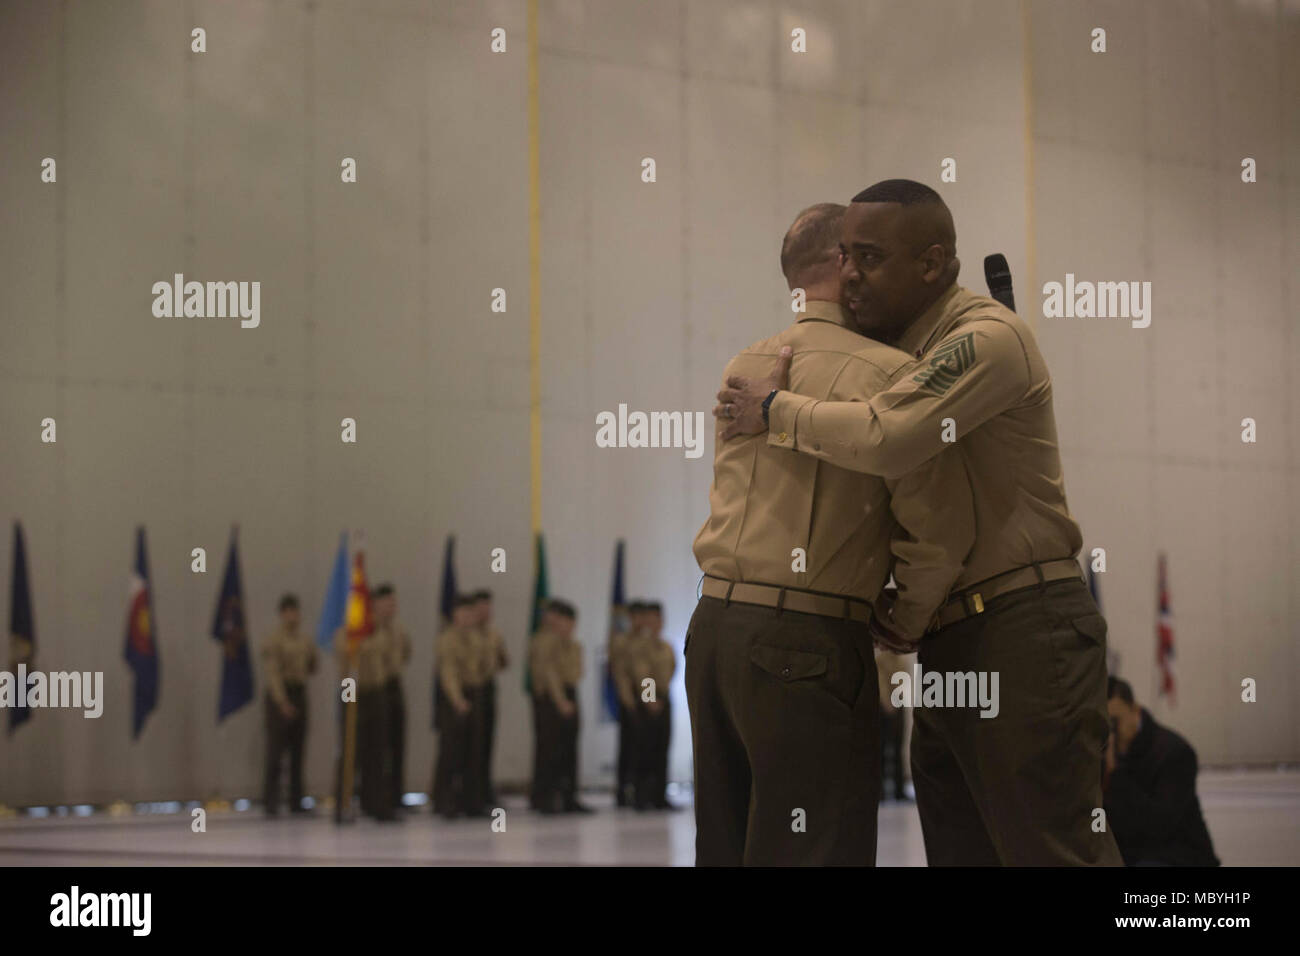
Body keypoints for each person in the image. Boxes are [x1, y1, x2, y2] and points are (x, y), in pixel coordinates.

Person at [714, 179, 1122, 866]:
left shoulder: (986, 337)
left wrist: (777, 410)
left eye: (868, 258)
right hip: (952, 636)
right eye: (843, 256)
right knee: (963, 848)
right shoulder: (910, 351)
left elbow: (888, 434)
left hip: (1023, 627)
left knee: (1053, 850)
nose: (848, 275)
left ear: (931, 264)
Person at [690, 201, 975, 865]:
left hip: (713, 634)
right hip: (808, 644)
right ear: (845, 262)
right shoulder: (886, 374)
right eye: (866, 253)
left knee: (726, 846)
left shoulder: (745, 363)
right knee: (815, 849)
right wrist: (905, 618)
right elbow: (938, 531)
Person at [1103, 677, 1219, 866]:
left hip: (1178, 854)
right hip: (1131, 852)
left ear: (1135, 711)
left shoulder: (1173, 753)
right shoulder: (1102, 756)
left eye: (1115, 722)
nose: (1111, 733)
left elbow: (1159, 825)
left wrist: (1115, 774)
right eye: (1105, 725)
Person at [333, 617, 396, 822]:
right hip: (350, 689)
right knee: (350, 749)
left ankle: (376, 804)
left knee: (377, 750)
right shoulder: (345, 633)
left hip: (375, 691)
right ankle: (342, 805)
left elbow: (391, 658)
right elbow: (346, 652)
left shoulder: (381, 633)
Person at [530, 599, 590, 814]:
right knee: (549, 750)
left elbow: (577, 672)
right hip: (551, 698)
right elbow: (550, 675)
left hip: (570, 693)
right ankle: (545, 798)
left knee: (569, 748)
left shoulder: (573, 645)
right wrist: (561, 701)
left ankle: (568, 797)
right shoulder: (544, 642)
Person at [261, 593, 317, 816]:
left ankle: (296, 800)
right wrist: (282, 701)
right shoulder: (274, 640)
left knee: (298, 751)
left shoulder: (304, 640)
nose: (293, 616)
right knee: (275, 753)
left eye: (296, 611)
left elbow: (312, 666)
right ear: (282, 614)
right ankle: (271, 802)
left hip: (299, 692)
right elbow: (272, 673)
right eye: (289, 611)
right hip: (281, 696)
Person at [622, 601, 676, 811]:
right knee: (644, 749)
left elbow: (672, 670)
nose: (654, 623)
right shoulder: (639, 647)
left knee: (662, 748)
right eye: (650, 619)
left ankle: (659, 796)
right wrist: (650, 699)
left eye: (658, 619)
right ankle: (641, 797)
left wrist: (661, 696)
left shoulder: (666, 646)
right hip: (647, 700)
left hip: (663, 698)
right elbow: (641, 673)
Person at [432, 595, 481, 818]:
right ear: (455, 615)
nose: (467, 618)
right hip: (453, 698)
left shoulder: (477, 639)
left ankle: (470, 801)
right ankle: (444, 800)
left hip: (473, 693)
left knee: (472, 750)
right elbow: (448, 672)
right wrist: (457, 700)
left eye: (471, 613)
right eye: (463, 613)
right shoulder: (447, 639)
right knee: (450, 752)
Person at [372, 584, 410, 812]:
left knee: (397, 744)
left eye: (393, 603)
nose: (390, 607)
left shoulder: (399, 631)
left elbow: (405, 653)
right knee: (378, 748)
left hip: (395, 687)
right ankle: (378, 800)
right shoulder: (369, 630)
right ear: (375, 604)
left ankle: (396, 798)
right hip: (376, 689)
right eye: (386, 602)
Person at [472, 589, 508, 807]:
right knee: (474, 746)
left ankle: (485, 791)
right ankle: (472, 794)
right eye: (482, 607)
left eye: (489, 607)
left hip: (489, 688)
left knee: (487, 742)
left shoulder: (494, 633)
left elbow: (503, 660)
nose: (486, 611)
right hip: (473, 689)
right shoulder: (468, 633)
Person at [610, 600, 646, 807]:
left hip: (645, 697)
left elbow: (649, 674)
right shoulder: (622, 642)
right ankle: (623, 791)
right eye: (636, 616)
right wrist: (628, 701)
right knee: (627, 746)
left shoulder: (649, 641)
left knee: (644, 747)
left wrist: (648, 699)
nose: (640, 621)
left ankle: (643, 790)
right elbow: (620, 673)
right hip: (629, 697)